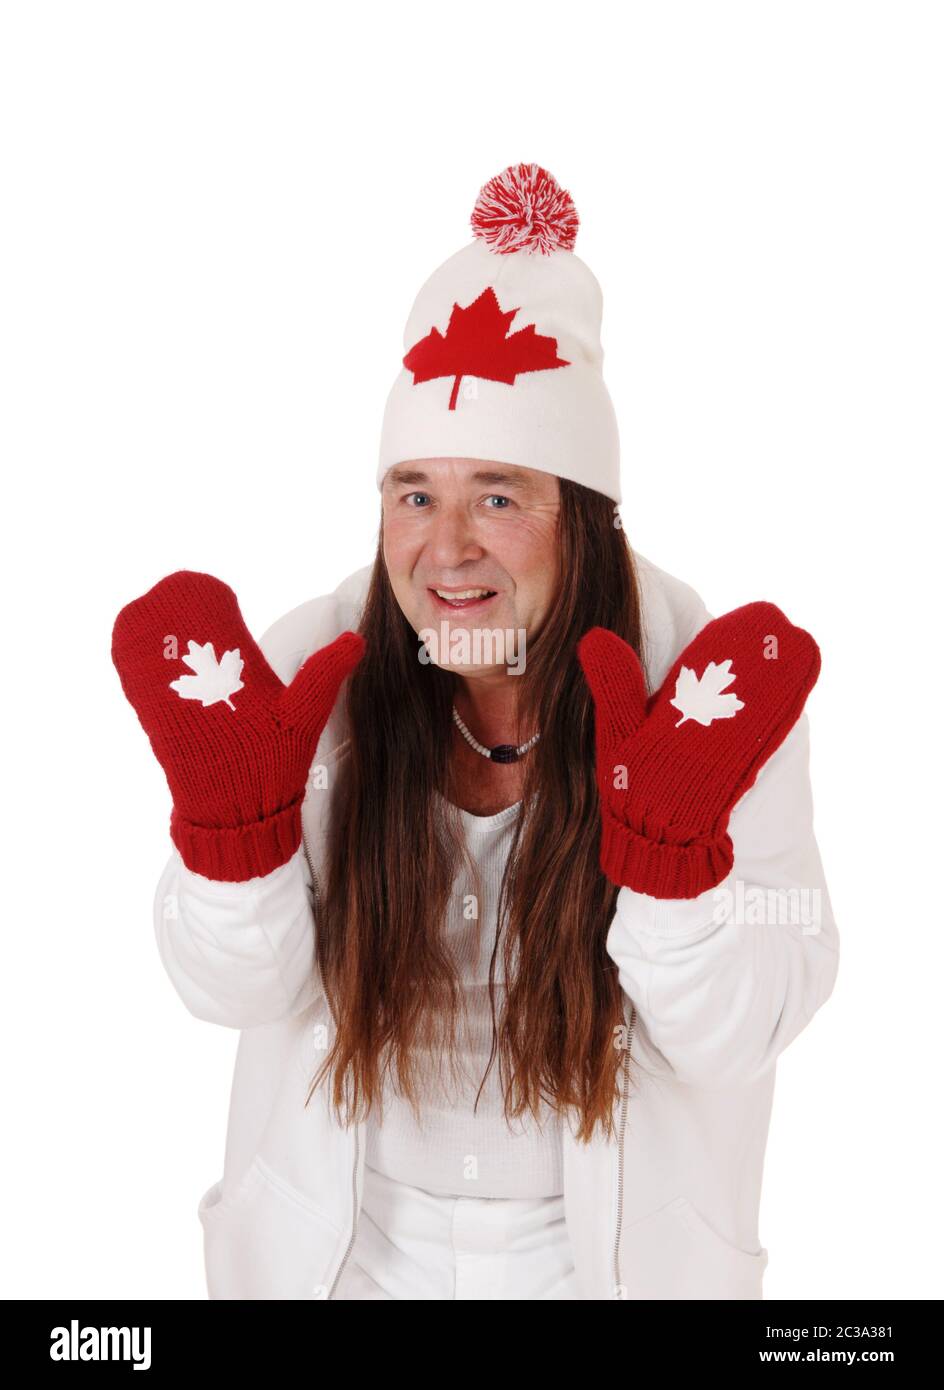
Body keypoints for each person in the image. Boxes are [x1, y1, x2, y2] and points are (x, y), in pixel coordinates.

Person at [111, 163, 839, 1301]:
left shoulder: (702, 694)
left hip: (601, 1261)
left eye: (496, 495)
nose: (443, 550)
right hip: (341, 1249)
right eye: (413, 492)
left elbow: (739, 1034)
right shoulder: (314, 666)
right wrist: (228, 851)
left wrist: (672, 871)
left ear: (583, 520)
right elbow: (235, 994)